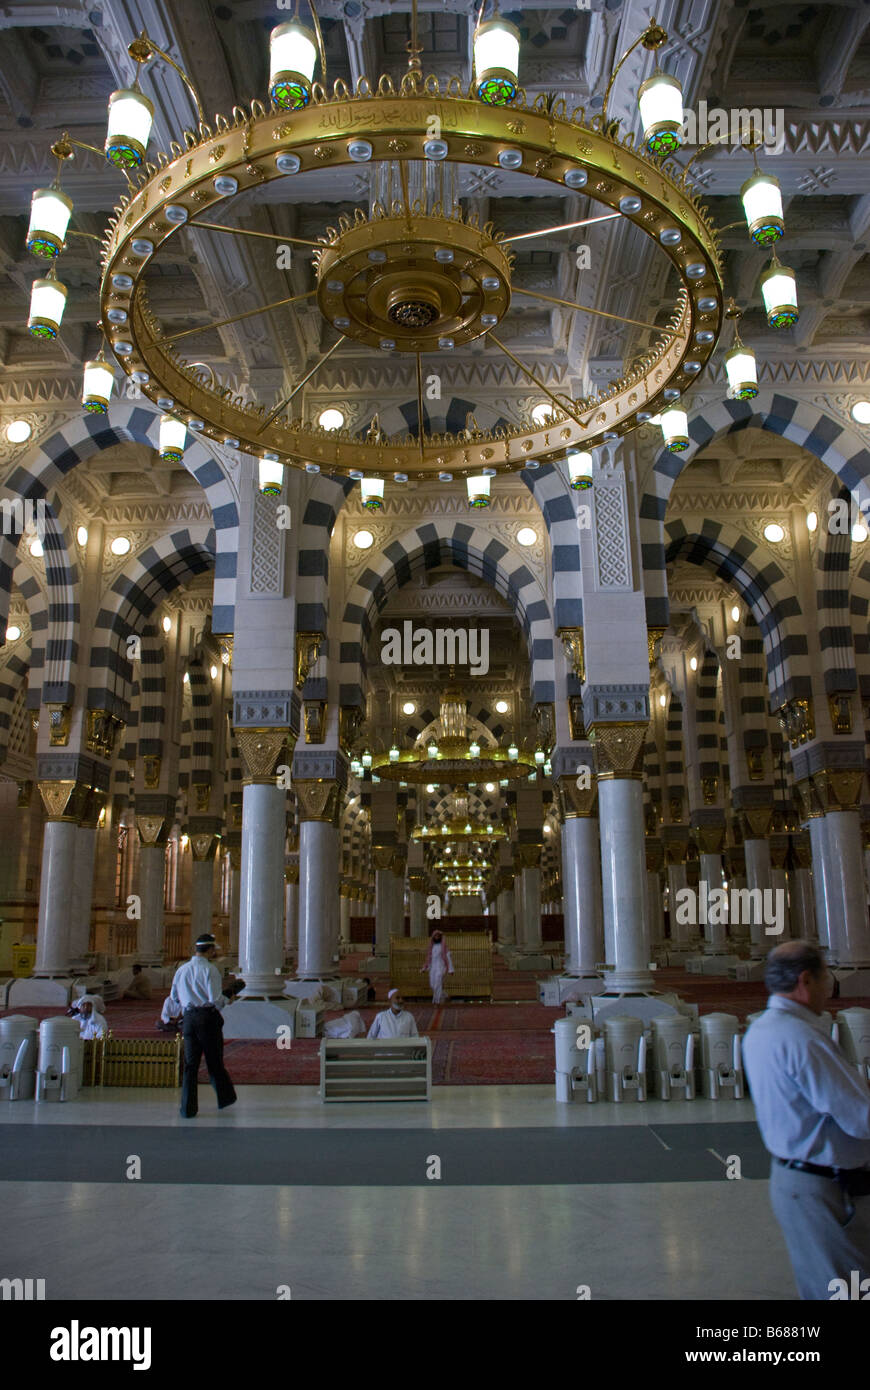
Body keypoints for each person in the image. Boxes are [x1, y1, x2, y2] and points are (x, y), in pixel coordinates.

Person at [742, 940, 870, 1300]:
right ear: (806, 980)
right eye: (826, 973)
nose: (831, 984)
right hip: (822, 1186)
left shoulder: (762, 1030)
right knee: (845, 1289)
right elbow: (861, 1118)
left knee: (825, 1284)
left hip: (795, 1178)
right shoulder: (802, 1038)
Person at [170, 932, 239, 1118]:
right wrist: (229, 995)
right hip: (207, 1019)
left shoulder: (181, 970)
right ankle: (225, 1098)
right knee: (214, 1061)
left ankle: (187, 1109)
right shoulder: (210, 970)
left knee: (190, 1065)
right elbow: (215, 1001)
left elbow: (174, 997)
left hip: (189, 1019)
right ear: (210, 950)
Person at [422, 929, 453, 1004]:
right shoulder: (431, 947)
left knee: (438, 983)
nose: (437, 937)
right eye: (435, 936)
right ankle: (444, 994)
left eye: (438, 936)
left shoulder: (443, 947)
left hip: (441, 967)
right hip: (433, 967)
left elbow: (448, 957)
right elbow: (429, 958)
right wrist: (424, 968)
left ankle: (436, 1000)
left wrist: (451, 969)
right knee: (432, 984)